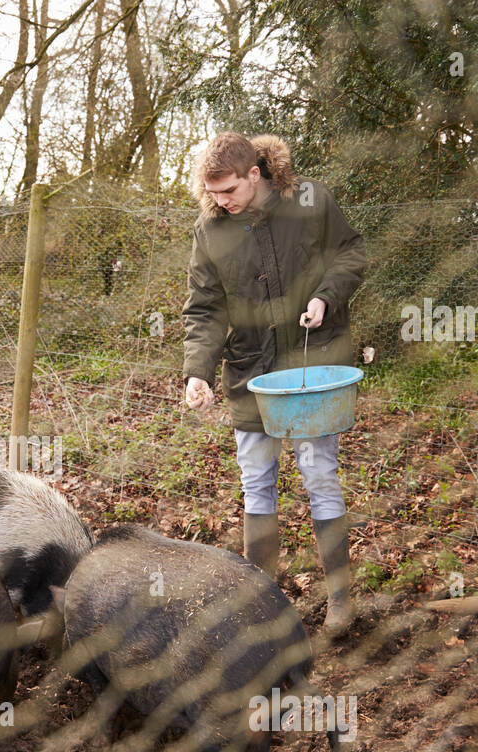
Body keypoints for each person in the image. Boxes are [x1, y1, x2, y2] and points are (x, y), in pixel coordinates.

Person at [181, 133, 367, 635]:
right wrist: (198, 371)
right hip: (250, 374)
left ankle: (341, 602)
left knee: (319, 476)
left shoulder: (309, 201)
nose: (221, 201)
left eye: (229, 190)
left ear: (254, 174)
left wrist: (326, 296)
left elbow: (350, 254)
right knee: (256, 484)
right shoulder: (210, 231)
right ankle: (262, 608)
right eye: (213, 193)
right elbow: (205, 310)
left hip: (311, 367)